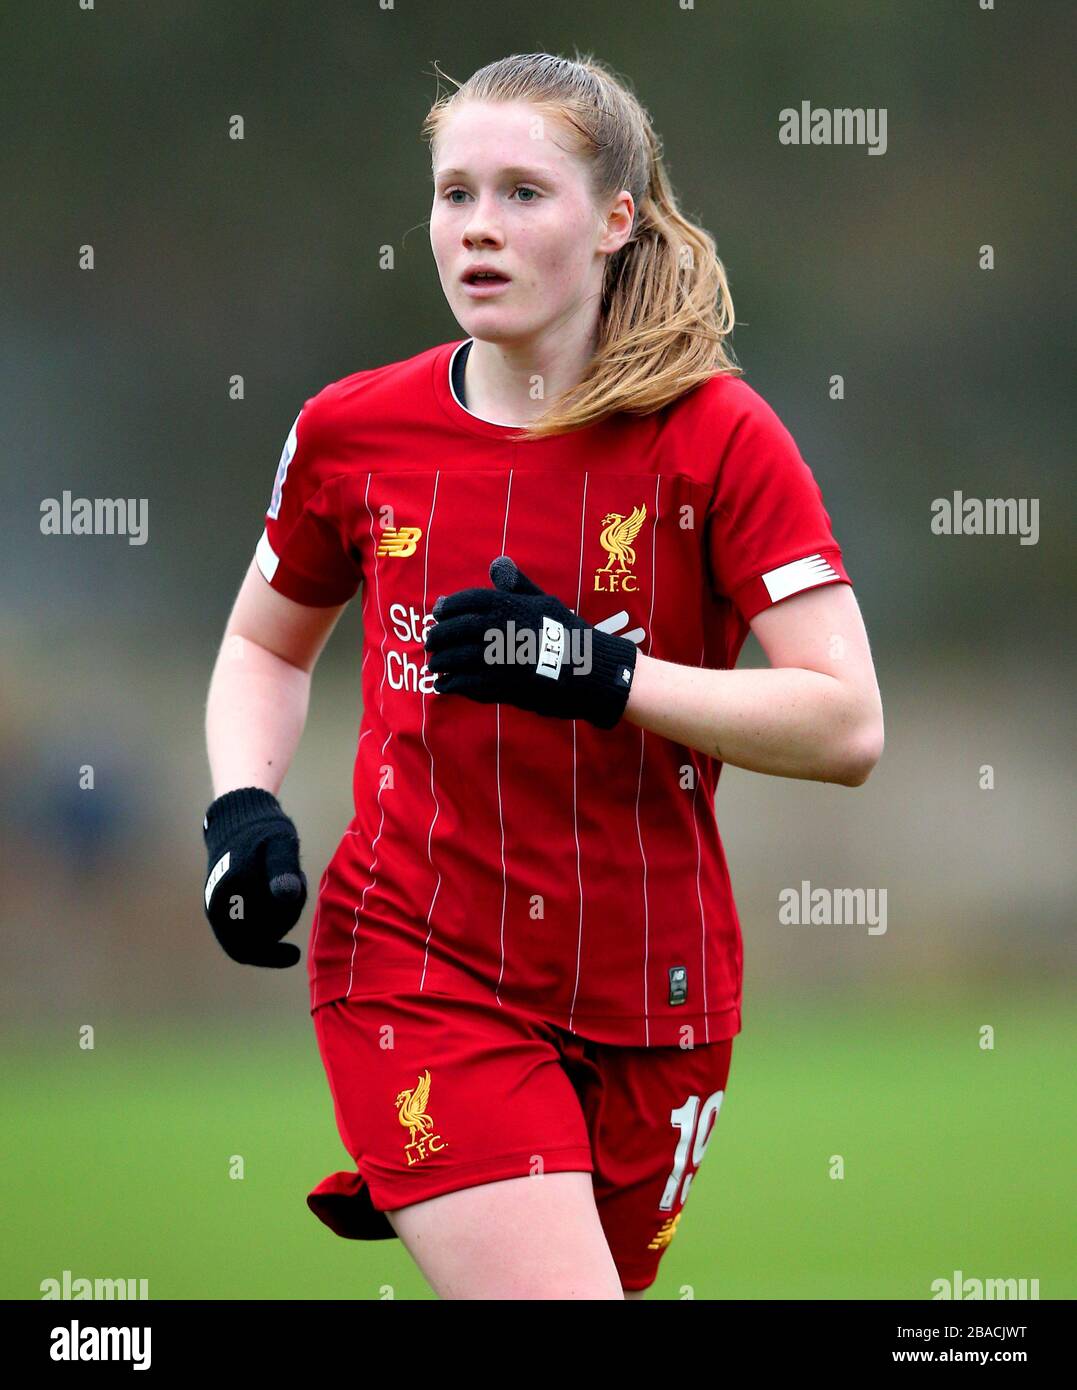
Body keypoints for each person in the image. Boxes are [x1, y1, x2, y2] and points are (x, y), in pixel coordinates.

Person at [202, 51, 884, 1301]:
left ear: (616, 219)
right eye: (454, 195)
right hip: (416, 959)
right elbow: (264, 641)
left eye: (524, 193)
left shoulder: (720, 436)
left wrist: (599, 670)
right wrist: (242, 806)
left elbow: (845, 723)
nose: (477, 228)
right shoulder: (352, 431)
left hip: (657, 994)